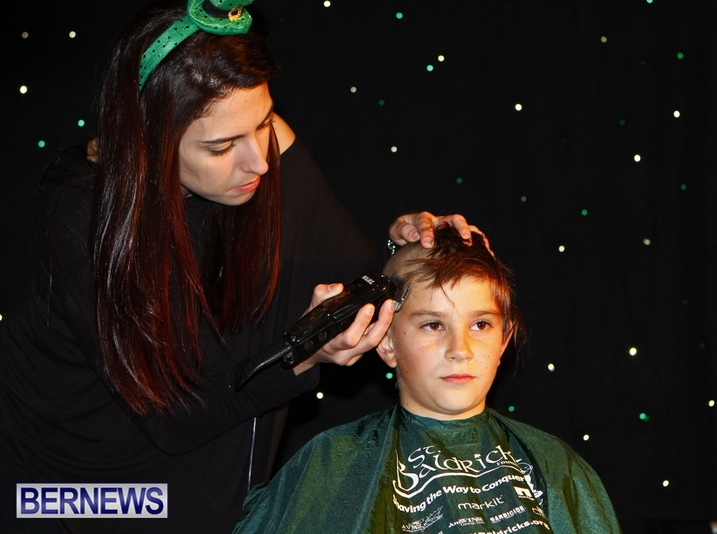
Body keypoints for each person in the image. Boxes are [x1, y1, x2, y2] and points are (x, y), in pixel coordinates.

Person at [0, 1, 475, 533]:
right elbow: (170, 419)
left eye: (265, 122)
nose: (260, 160)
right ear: (146, 141)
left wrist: (409, 249)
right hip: (66, 492)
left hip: (203, 481)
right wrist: (302, 358)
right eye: (222, 146)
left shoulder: (253, 141)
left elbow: (353, 275)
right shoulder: (80, 212)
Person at [234, 225, 621, 534]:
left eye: (481, 324)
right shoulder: (329, 466)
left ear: (504, 341)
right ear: (385, 342)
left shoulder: (558, 467)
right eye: (434, 325)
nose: (461, 348)